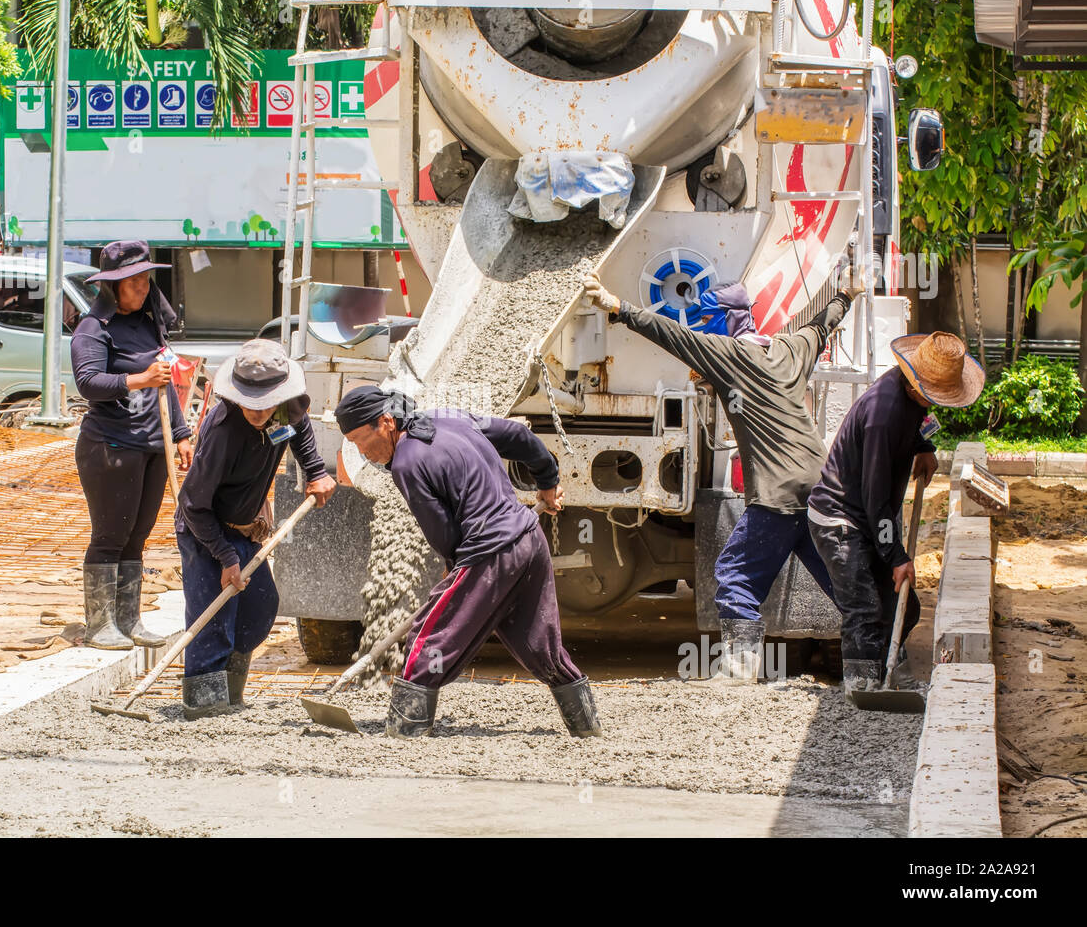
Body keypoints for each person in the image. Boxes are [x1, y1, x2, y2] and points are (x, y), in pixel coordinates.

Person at [584, 273, 860, 680]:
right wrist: (847, 294)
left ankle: (740, 667)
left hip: (776, 490)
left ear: (725, 320)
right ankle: (878, 661)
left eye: (705, 319)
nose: (700, 328)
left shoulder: (727, 353)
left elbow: (672, 335)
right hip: (820, 489)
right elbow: (823, 324)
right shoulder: (789, 348)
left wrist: (616, 305)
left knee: (736, 574)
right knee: (840, 585)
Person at [335, 386, 601, 739]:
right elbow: (519, 436)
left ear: (385, 422)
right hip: (528, 539)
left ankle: (404, 731)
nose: (360, 451)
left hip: (489, 552)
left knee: (429, 637)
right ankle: (586, 727)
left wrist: (454, 563)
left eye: (357, 439)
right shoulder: (449, 417)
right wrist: (548, 482)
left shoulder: (405, 463)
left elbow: (442, 531)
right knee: (539, 645)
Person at [808, 331, 983, 700]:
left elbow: (916, 421)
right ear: (918, 384)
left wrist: (924, 446)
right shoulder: (882, 414)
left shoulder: (907, 395)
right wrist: (896, 556)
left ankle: (883, 675)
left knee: (907, 608)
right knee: (865, 609)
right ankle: (861, 688)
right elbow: (875, 499)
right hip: (841, 519)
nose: (936, 403)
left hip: (870, 517)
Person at [175, 339, 336, 719]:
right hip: (206, 531)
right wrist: (225, 556)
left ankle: (232, 695)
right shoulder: (222, 431)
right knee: (212, 618)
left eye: (266, 403)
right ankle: (205, 705)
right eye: (250, 402)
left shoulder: (287, 408)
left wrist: (314, 471)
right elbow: (194, 506)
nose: (258, 411)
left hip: (245, 526)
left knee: (258, 609)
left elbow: (301, 429)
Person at [71, 240, 194, 651]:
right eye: (133, 281)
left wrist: (180, 434)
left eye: (146, 279)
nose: (143, 287)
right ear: (112, 287)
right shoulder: (93, 329)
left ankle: (129, 620)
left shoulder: (147, 324)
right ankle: (100, 625)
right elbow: (88, 382)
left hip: (151, 446)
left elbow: (167, 389)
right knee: (110, 535)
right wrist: (138, 378)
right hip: (110, 446)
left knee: (137, 536)